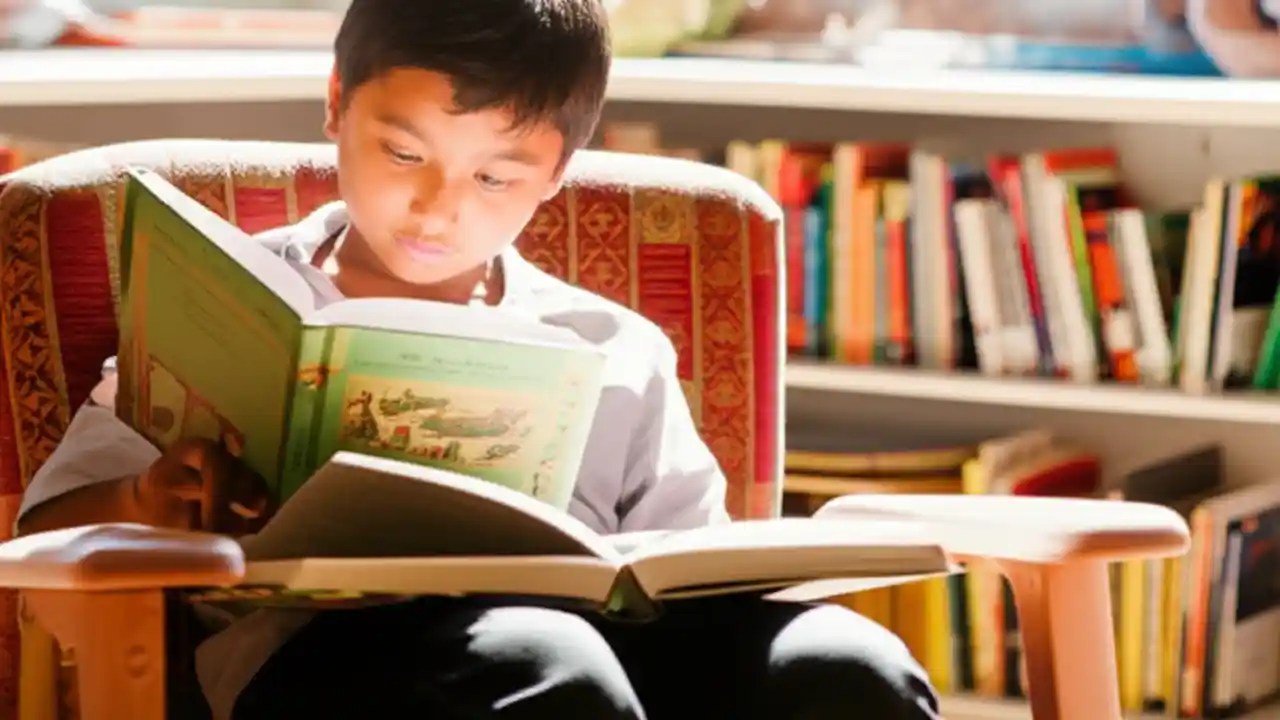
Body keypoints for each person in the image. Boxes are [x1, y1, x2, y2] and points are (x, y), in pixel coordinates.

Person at [15, 1, 941, 718]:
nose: (437, 206)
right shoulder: (224, 304)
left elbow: (685, 569)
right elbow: (50, 544)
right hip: (321, 663)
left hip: (598, 646)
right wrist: (147, 502)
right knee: (543, 661)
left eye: (495, 177)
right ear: (337, 106)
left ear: (557, 175)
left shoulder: (611, 349)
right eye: (403, 151)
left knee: (849, 665)